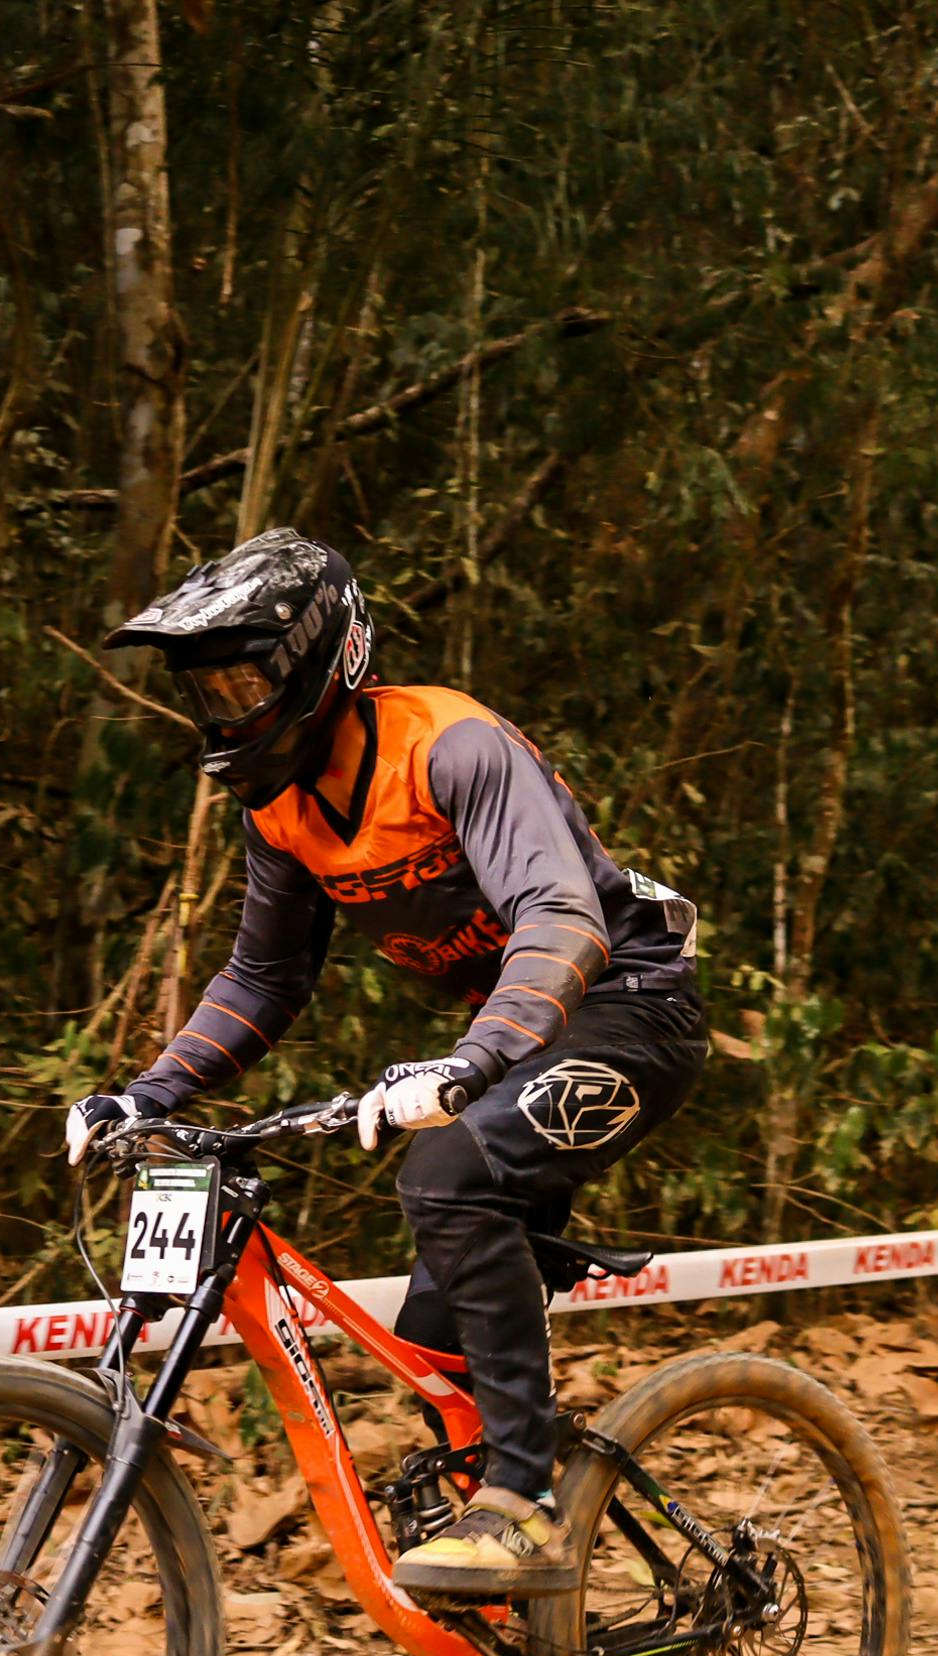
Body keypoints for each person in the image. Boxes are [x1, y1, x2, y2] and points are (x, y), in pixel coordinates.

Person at [67, 529, 706, 1594]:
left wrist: (470, 1062)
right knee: (429, 1333)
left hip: (628, 1006)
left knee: (445, 1173)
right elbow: (263, 979)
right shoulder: (279, 808)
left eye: (244, 681)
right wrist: (147, 1091)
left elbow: (562, 915)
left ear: (320, 665)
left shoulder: (450, 747)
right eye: (208, 690)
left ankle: (526, 1502)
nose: (225, 711)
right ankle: (507, 1634)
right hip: (512, 1034)